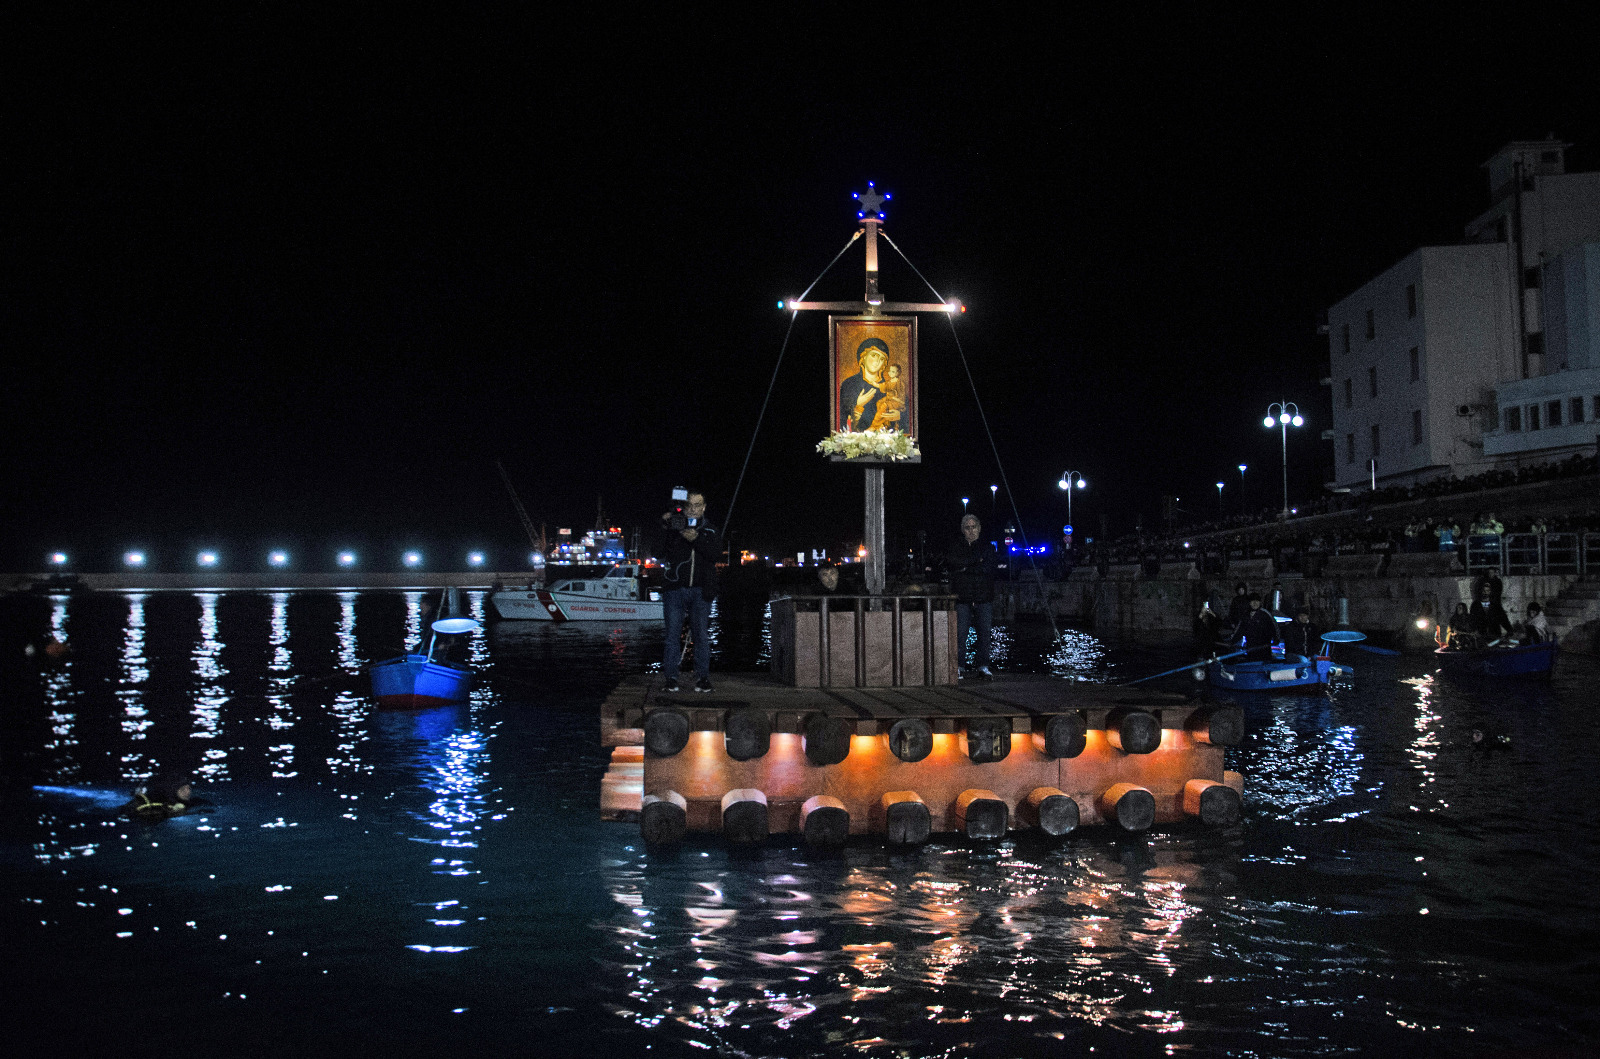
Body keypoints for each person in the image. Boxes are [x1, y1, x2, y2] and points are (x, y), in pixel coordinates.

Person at [658, 489, 720, 693]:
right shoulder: (673, 526)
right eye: (689, 505)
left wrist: (696, 539)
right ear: (683, 507)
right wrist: (666, 527)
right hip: (674, 589)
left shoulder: (710, 529)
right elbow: (657, 552)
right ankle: (671, 678)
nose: (693, 509)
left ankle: (703, 678)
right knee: (672, 636)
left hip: (701, 591)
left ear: (704, 507)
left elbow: (715, 555)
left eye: (697, 505)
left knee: (701, 636)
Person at [947, 513, 997, 677]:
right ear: (963, 530)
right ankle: (959, 666)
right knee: (960, 635)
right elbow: (954, 565)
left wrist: (966, 568)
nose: (971, 531)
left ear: (979, 528)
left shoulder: (988, 547)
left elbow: (988, 569)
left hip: (984, 597)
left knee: (985, 634)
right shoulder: (956, 547)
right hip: (963, 597)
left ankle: (983, 665)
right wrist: (976, 562)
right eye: (967, 528)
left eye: (973, 527)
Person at [839, 337, 890, 432]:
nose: (877, 361)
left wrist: (897, 417)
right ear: (864, 356)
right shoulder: (849, 384)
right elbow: (841, 419)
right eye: (874, 355)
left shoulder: (888, 387)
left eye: (881, 358)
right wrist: (858, 405)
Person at [125, 774, 201, 819]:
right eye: (182, 789)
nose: (187, 792)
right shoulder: (161, 801)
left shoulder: (190, 801)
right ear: (174, 790)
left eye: (189, 788)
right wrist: (173, 812)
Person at [1236, 593, 1280, 662]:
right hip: (1251, 648)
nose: (1255, 603)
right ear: (1249, 603)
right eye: (1252, 601)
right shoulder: (1245, 615)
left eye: (1257, 601)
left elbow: (1274, 627)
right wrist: (1233, 642)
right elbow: (1239, 630)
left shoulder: (1265, 614)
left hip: (1264, 648)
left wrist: (1276, 638)